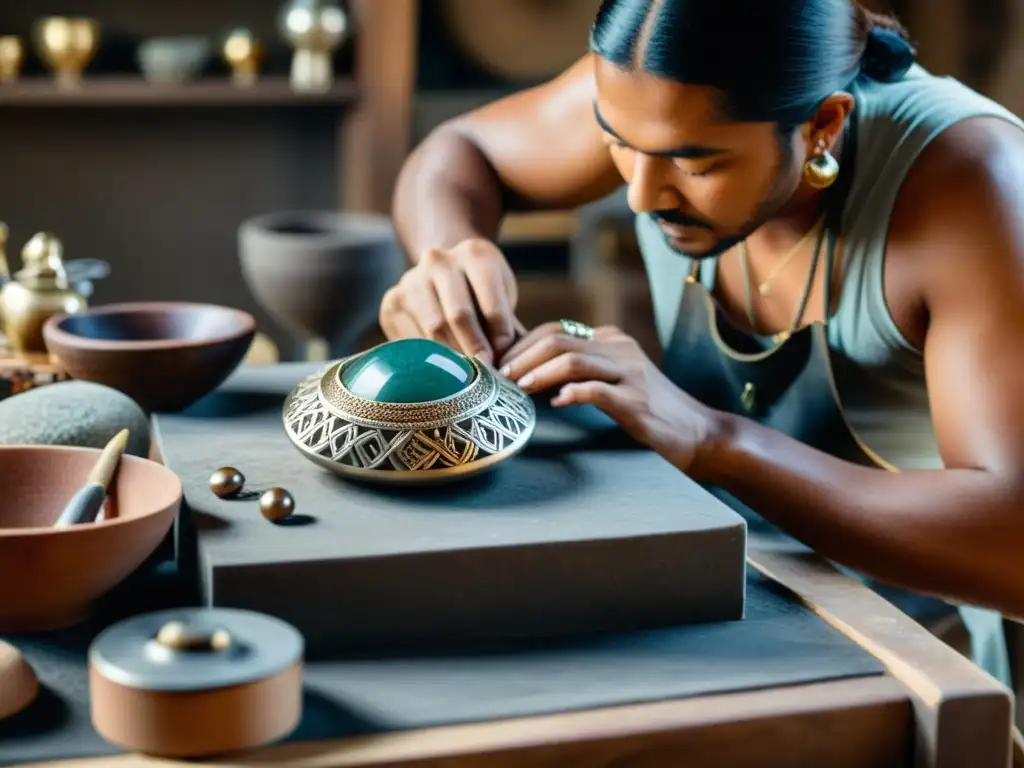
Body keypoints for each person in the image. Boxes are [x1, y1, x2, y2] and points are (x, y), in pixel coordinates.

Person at [380, 0, 1024, 683]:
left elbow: (1011, 544)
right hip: (738, 602)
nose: (640, 195)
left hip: (933, 662)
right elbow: (458, 153)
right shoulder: (653, 99)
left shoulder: (976, 183)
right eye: (617, 142)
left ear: (822, 126)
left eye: (697, 165)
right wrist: (449, 258)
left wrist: (716, 440)